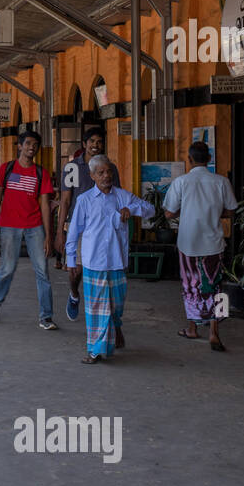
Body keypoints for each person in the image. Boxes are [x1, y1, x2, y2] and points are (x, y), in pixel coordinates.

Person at [65, 154, 155, 364]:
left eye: (109, 171)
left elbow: (150, 210)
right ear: (93, 176)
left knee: (116, 306)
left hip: (117, 261)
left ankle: (116, 327)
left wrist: (130, 209)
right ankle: (94, 350)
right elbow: (74, 233)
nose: (106, 176)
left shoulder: (122, 196)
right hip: (93, 262)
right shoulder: (85, 200)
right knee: (96, 308)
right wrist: (71, 261)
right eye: (101, 172)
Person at [163, 141, 237, 352]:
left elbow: (168, 212)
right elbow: (231, 211)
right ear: (209, 159)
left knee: (190, 286)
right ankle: (215, 332)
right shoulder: (221, 181)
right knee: (216, 286)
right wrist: (214, 212)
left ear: (190, 159)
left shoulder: (182, 182)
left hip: (188, 242)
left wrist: (185, 211)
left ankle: (192, 328)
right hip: (214, 243)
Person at [0, 130, 57, 330]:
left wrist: (48, 236)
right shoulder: (6, 169)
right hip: (9, 226)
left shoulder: (41, 173)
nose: (31, 148)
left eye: (35, 145)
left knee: (42, 271)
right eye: (27, 144)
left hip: (35, 226)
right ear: (19, 146)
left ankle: (46, 317)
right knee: (8, 268)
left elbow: (44, 204)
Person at [56, 127, 121, 321]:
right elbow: (66, 201)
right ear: (84, 144)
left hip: (104, 227)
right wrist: (60, 231)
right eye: (92, 141)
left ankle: (102, 314)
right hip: (78, 227)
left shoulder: (110, 168)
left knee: (103, 271)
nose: (96, 145)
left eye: (99, 142)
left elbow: (116, 196)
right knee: (76, 270)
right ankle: (74, 294)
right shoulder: (72, 168)